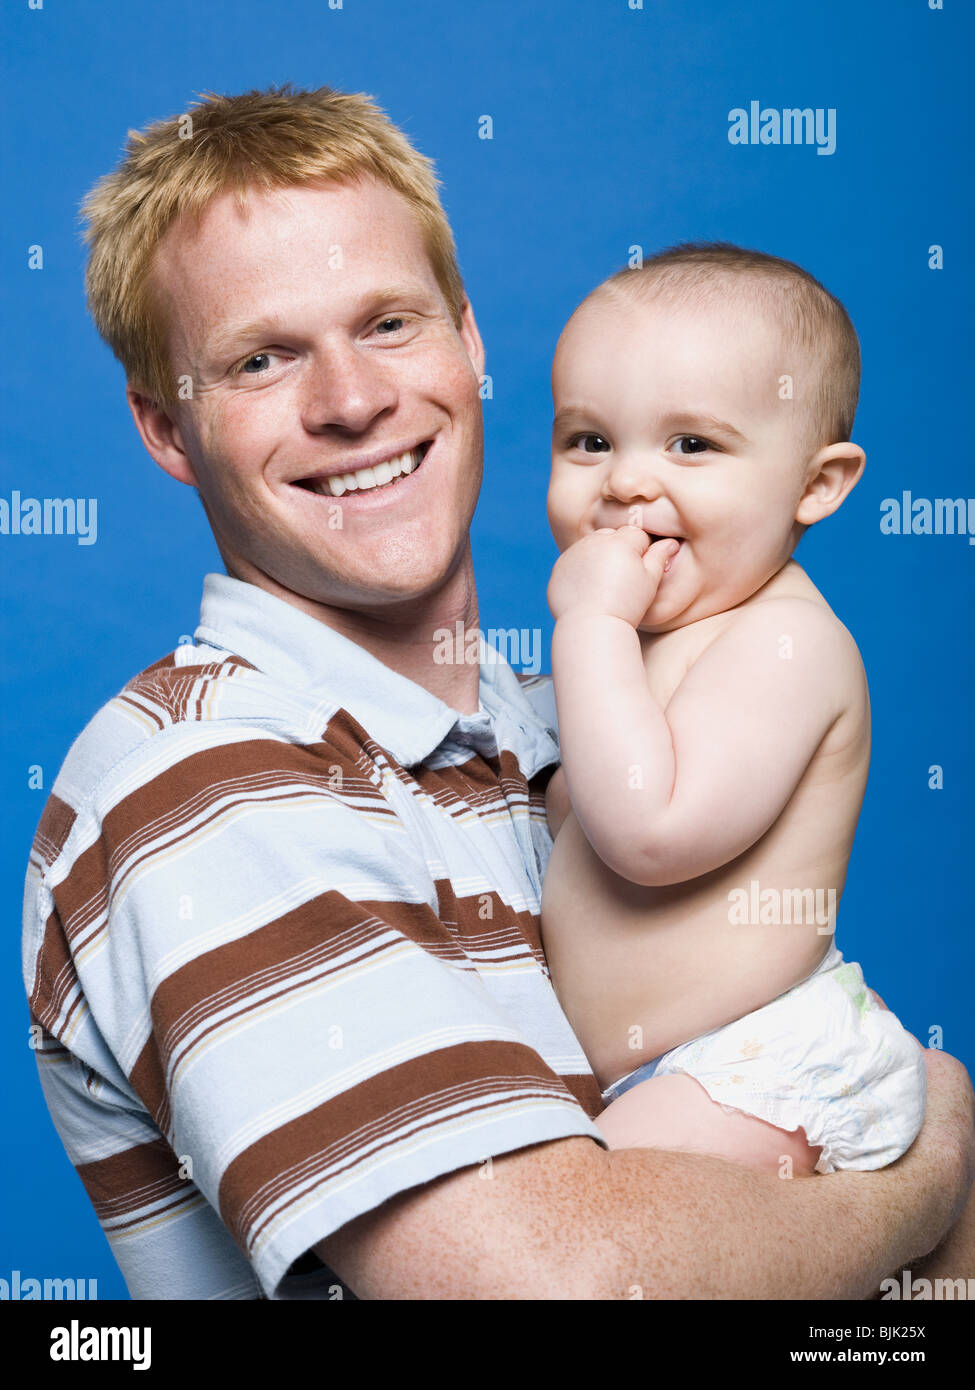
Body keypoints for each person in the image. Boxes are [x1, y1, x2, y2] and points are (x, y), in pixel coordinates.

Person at [21, 84, 973, 1300]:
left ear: (469, 343)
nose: (352, 400)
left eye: (389, 323)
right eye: (262, 357)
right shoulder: (200, 782)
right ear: (167, 427)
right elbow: (546, 1294)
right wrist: (922, 1173)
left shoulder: (558, 726)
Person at [541, 247, 924, 1175]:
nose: (626, 483)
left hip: (755, 1064)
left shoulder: (786, 645)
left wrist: (588, 622)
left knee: (581, 1235)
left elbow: (649, 834)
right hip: (652, 1076)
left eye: (691, 445)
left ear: (815, 485)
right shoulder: (641, 646)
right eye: (589, 441)